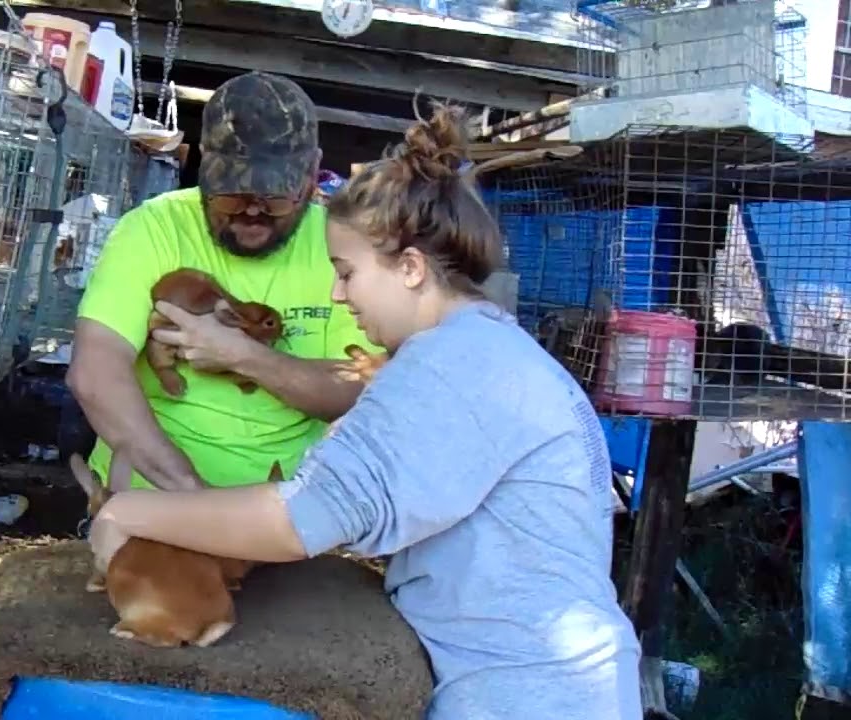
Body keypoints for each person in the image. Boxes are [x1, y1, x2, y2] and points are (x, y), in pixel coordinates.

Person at [85, 102, 644, 720]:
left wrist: (131, 510)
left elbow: (307, 517)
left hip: (522, 693)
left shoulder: (451, 367)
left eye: (347, 273)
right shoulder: (482, 348)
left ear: (410, 268)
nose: (336, 294)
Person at [66, 71, 374, 492]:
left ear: (312, 174)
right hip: (148, 497)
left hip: (284, 504)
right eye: (232, 195)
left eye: (275, 197)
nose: (252, 212)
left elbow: (362, 391)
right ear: (205, 167)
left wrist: (241, 355)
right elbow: (95, 372)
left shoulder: (338, 246)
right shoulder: (155, 228)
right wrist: (195, 497)